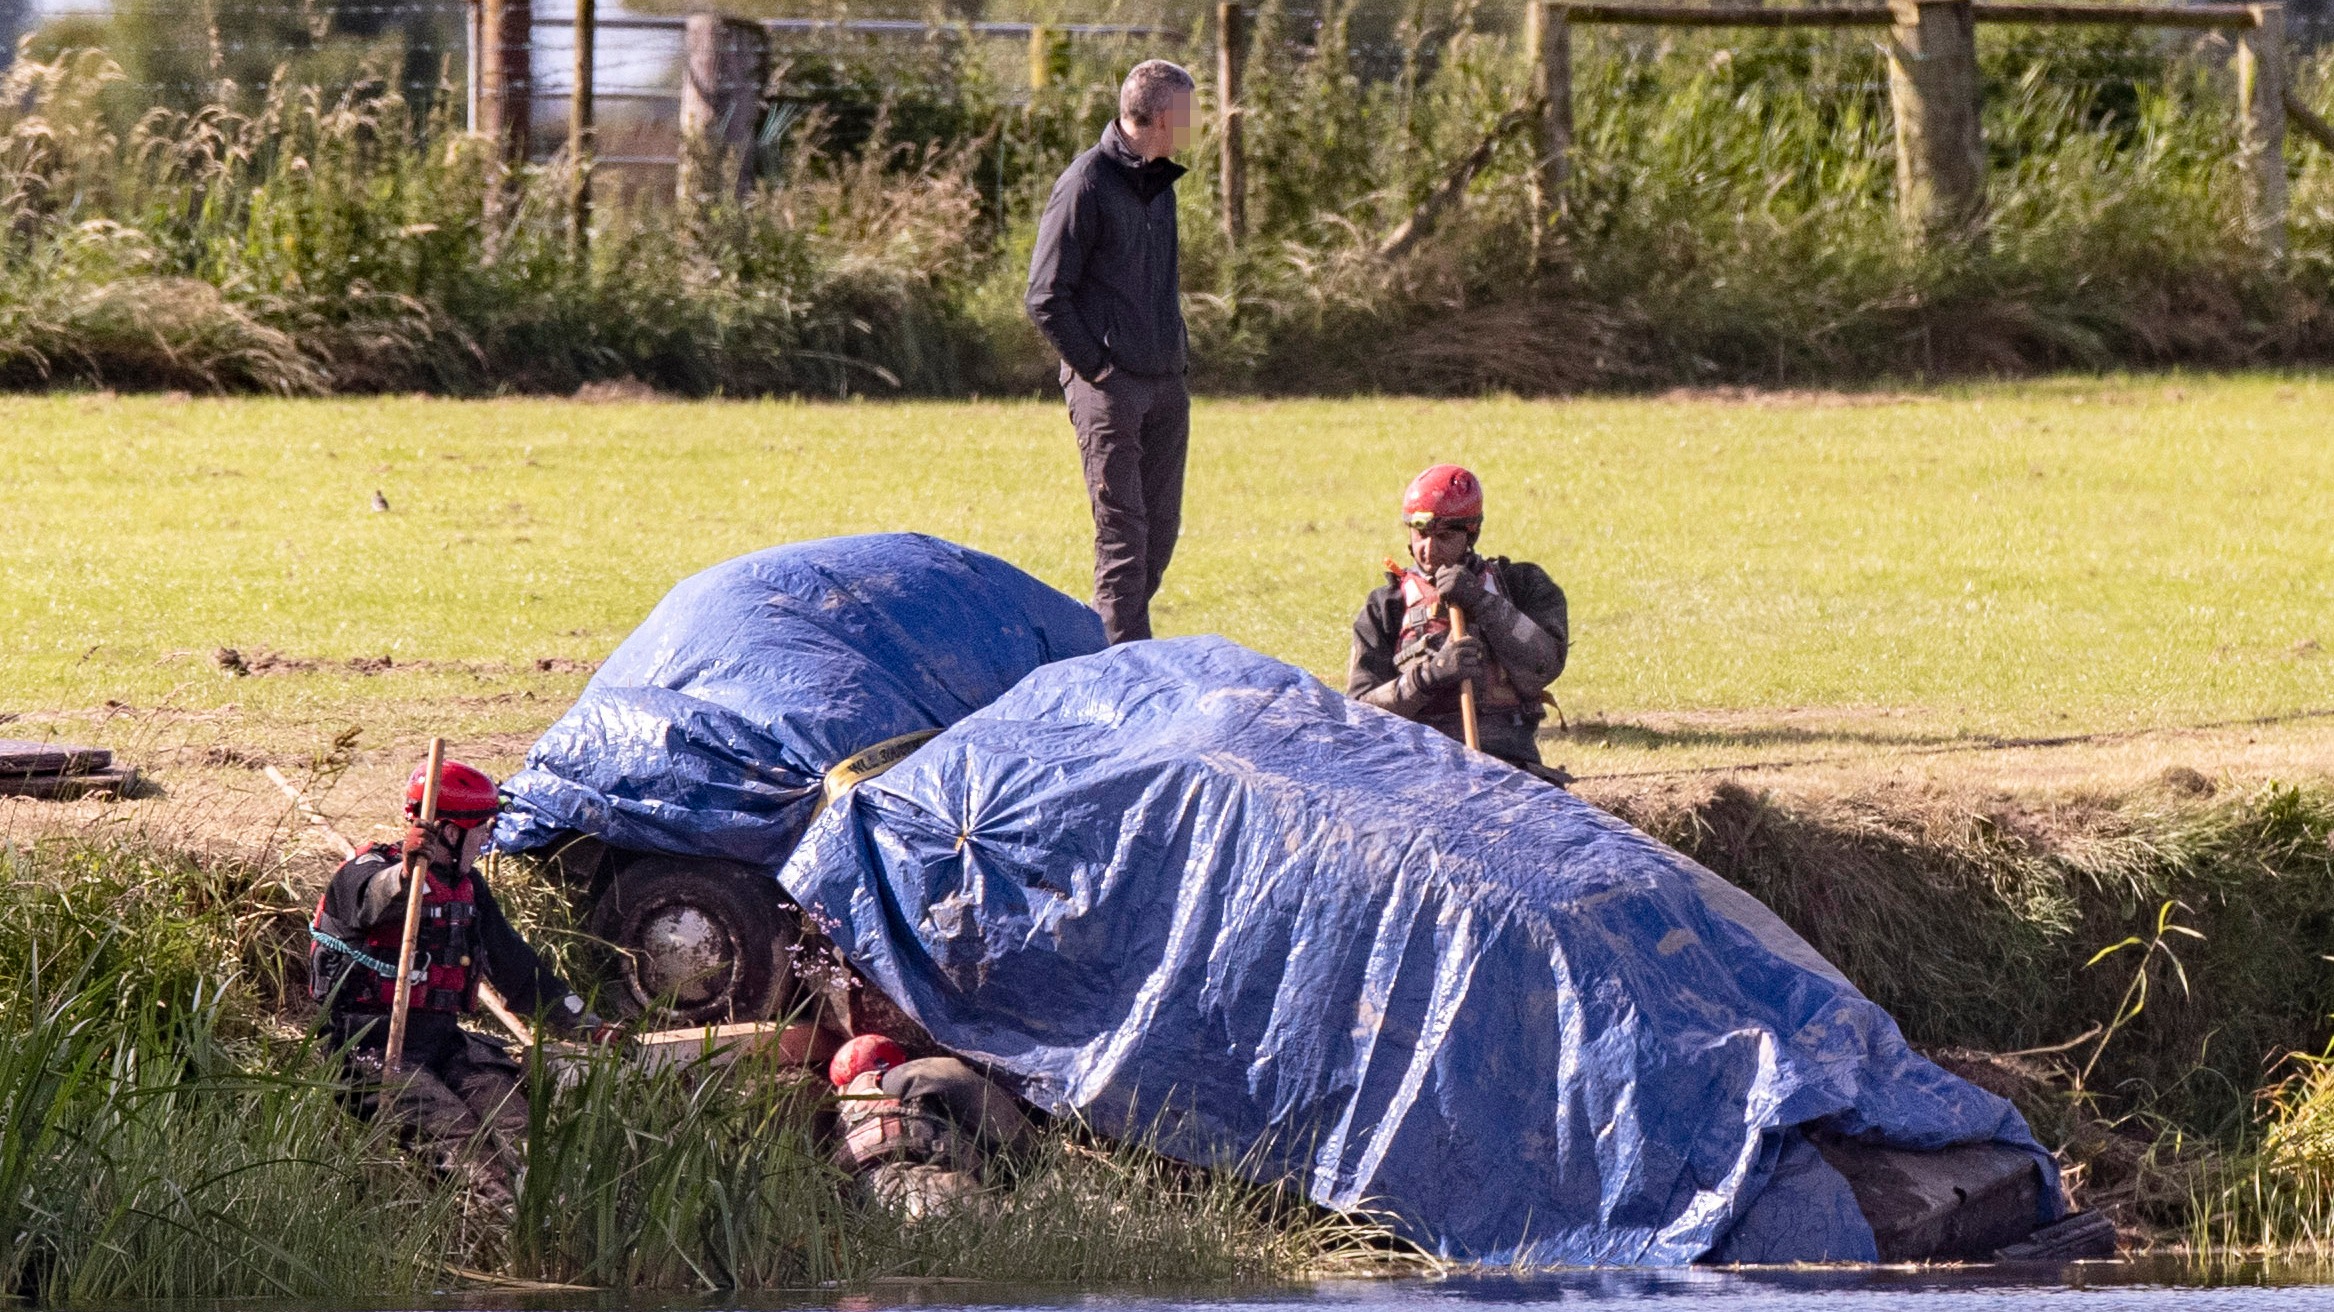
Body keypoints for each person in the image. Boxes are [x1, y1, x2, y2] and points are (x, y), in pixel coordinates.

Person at [307, 758, 603, 1207]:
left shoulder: (469, 888)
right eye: (482, 828)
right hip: (371, 1050)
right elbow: (370, 903)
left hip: (443, 1044)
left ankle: (559, 1226)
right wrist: (407, 874)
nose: (487, 839)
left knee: (524, 1135)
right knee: (467, 1147)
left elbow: (519, 969)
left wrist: (590, 1024)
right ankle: (503, 1237)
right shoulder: (362, 872)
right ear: (449, 831)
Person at [1025, 59, 1198, 645]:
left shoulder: (1161, 181)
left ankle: (1099, 644)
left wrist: (1176, 358)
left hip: (1165, 383)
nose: (1196, 124)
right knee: (1123, 537)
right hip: (1109, 390)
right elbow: (1045, 296)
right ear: (1151, 117)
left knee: (1160, 535)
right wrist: (1099, 370)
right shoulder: (1084, 184)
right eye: (1186, 114)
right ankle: (1129, 675)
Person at [1347, 465, 1571, 776]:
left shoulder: (1522, 584)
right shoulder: (1385, 606)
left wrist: (1481, 602)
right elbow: (1358, 713)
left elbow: (1544, 666)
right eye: (1421, 534)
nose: (1429, 549)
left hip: (1513, 770)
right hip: (1419, 772)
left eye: (1444, 536)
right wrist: (1429, 676)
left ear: (1472, 533)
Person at [827, 1033, 1037, 1218]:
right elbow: (971, 1089)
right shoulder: (905, 1076)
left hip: (861, 1204)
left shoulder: (839, 1121)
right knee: (1013, 1224)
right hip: (918, 1186)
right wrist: (1034, 1158)